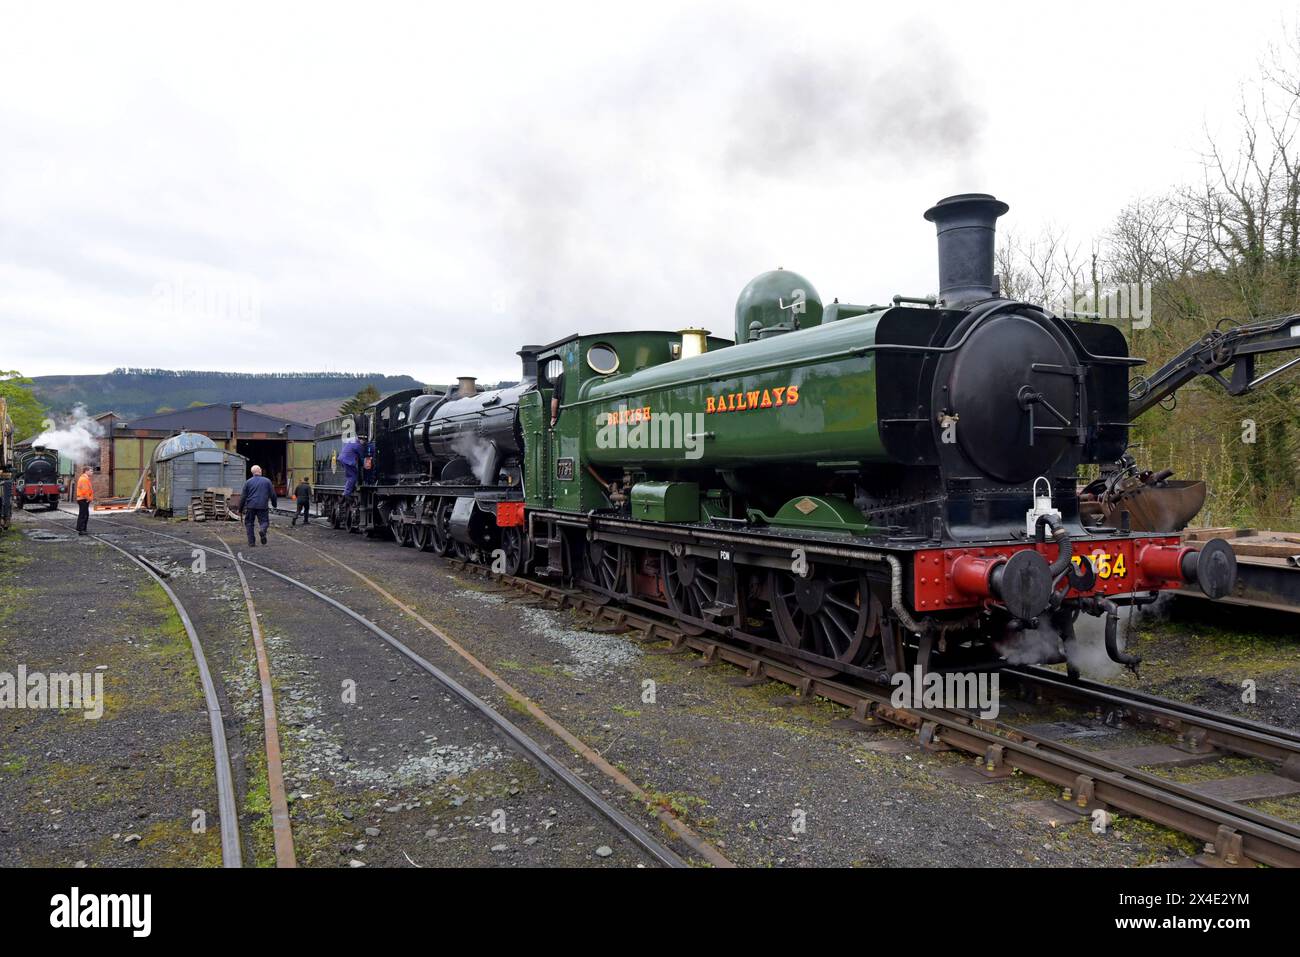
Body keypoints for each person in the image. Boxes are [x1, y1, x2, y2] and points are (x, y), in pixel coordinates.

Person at [238, 465, 278, 546]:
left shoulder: (248, 482)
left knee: (249, 523)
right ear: (260, 471)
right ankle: (262, 530)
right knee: (264, 521)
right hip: (263, 506)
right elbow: (273, 494)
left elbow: (243, 497)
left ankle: (251, 542)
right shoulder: (267, 481)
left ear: (252, 472)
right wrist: (274, 504)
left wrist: (240, 509)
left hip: (250, 506)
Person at [74, 466, 94, 536]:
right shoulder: (84, 479)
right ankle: (81, 530)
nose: (92, 472)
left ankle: (81, 528)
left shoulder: (85, 479)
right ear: (86, 471)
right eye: (91, 471)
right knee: (84, 515)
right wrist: (89, 498)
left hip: (83, 499)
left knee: (83, 514)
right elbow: (85, 491)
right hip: (83, 499)